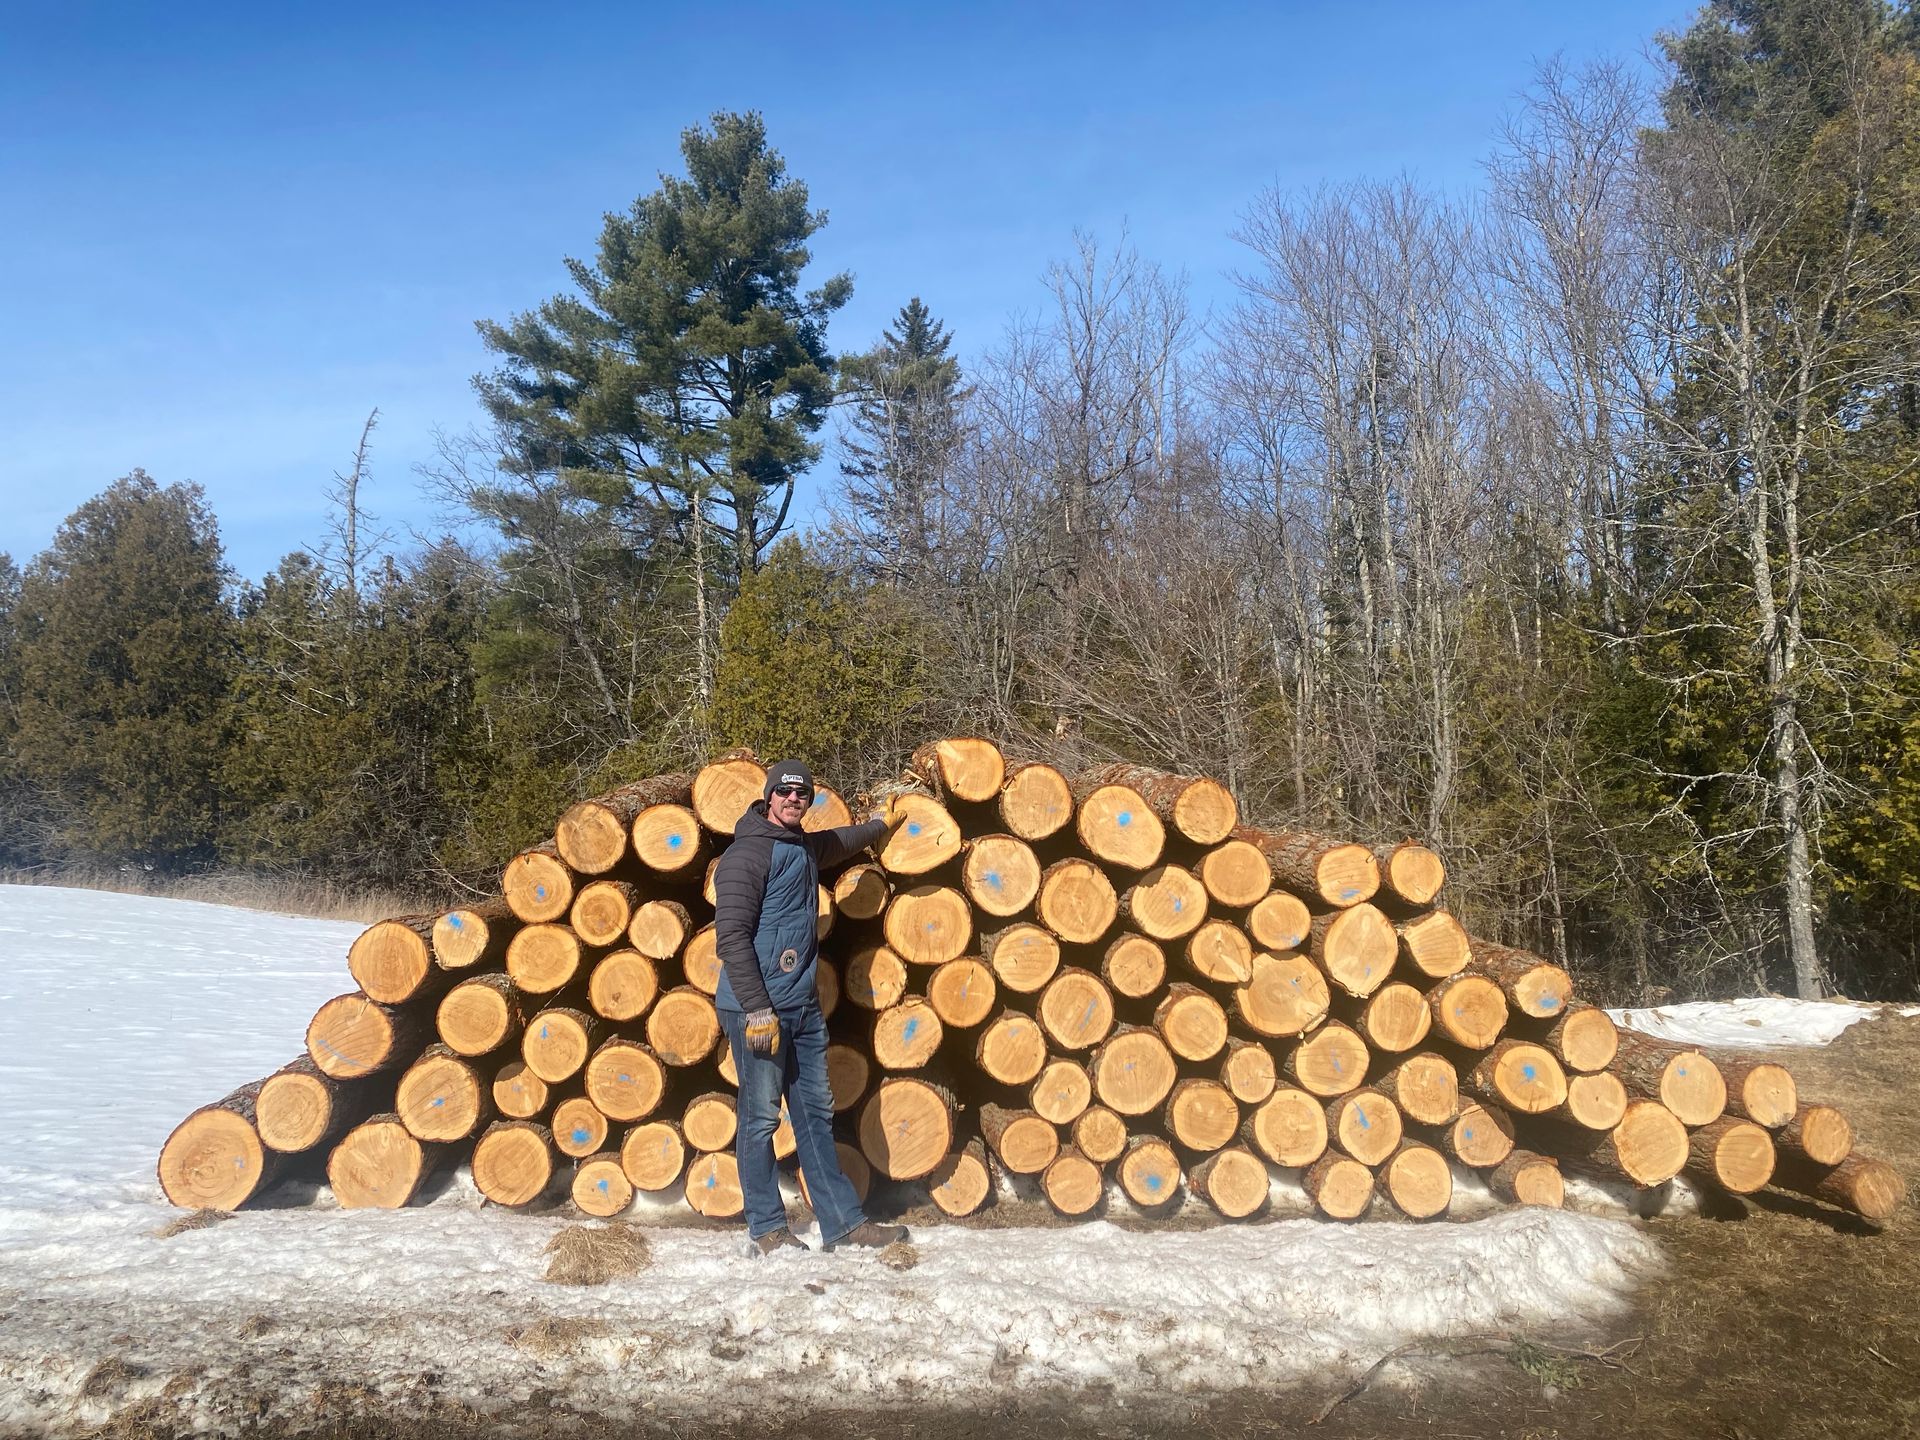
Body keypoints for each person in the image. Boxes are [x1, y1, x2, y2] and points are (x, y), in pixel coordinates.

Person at [713, 758, 911, 1256]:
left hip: (800, 1008)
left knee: (815, 1116)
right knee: (760, 1119)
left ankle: (843, 1224)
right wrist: (757, 1008)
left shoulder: (802, 846)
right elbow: (732, 938)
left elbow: (843, 840)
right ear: (769, 795)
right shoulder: (746, 855)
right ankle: (767, 1229)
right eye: (785, 793)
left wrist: (882, 825)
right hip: (756, 1012)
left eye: (803, 795)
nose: (793, 801)